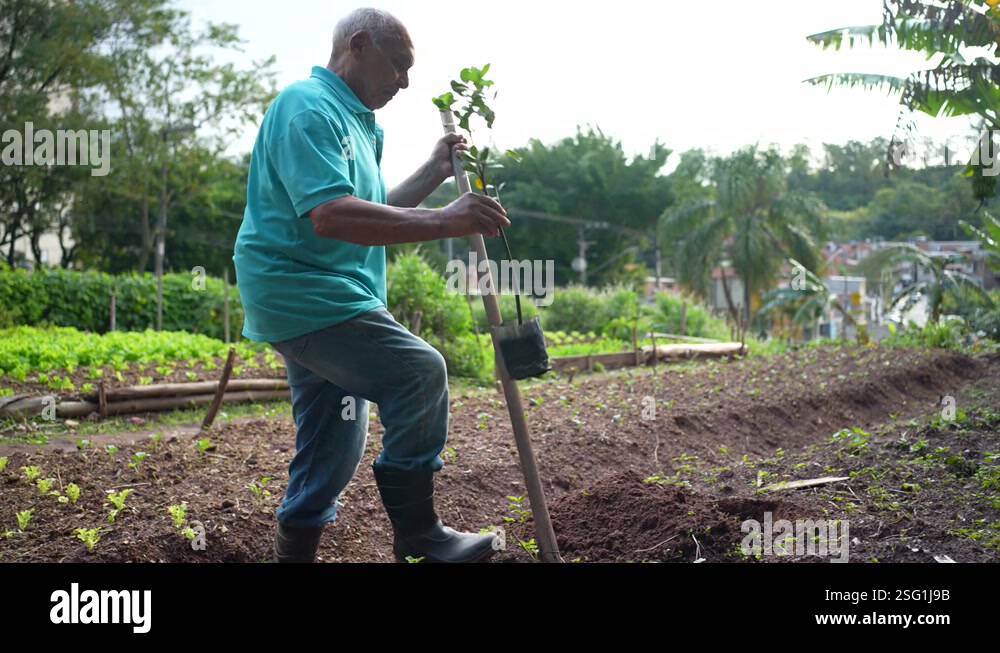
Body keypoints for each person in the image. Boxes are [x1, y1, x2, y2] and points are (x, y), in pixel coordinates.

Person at [233, 7, 511, 563]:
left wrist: (433, 174)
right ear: (358, 45)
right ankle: (419, 535)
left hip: (329, 292)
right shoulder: (306, 108)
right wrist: (448, 221)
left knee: (332, 444)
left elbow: (373, 211)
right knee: (418, 372)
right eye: (399, 65)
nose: (405, 82)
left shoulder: (359, 123)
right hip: (307, 291)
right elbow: (333, 216)